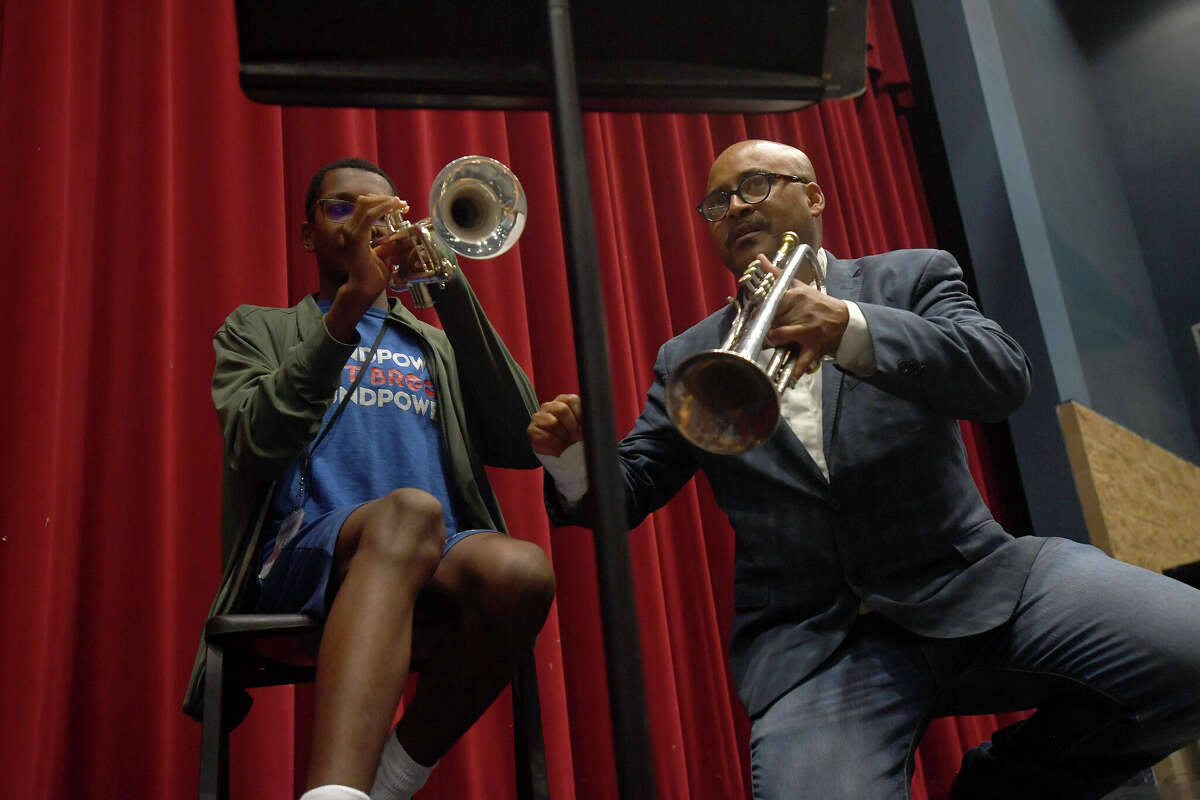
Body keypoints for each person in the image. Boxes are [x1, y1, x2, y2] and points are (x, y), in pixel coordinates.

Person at [526, 139, 1200, 798]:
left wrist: (850, 325)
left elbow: (1001, 377)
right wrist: (575, 462)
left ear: (814, 195)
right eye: (717, 202)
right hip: (819, 642)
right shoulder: (689, 357)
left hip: (979, 584)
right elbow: (634, 485)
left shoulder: (911, 278)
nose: (733, 207)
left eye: (754, 184)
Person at [184, 157, 554, 800]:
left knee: (523, 571)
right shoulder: (258, 329)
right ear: (307, 235)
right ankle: (333, 791)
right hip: (307, 552)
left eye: (381, 211)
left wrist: (447, 283)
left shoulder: (431, 344)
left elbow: (520, 435)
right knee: (407, 512)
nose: (362, 221)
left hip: (432, 553)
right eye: (340, 207)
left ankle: (391, 778)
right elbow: (254, 441)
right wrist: (351, 303)